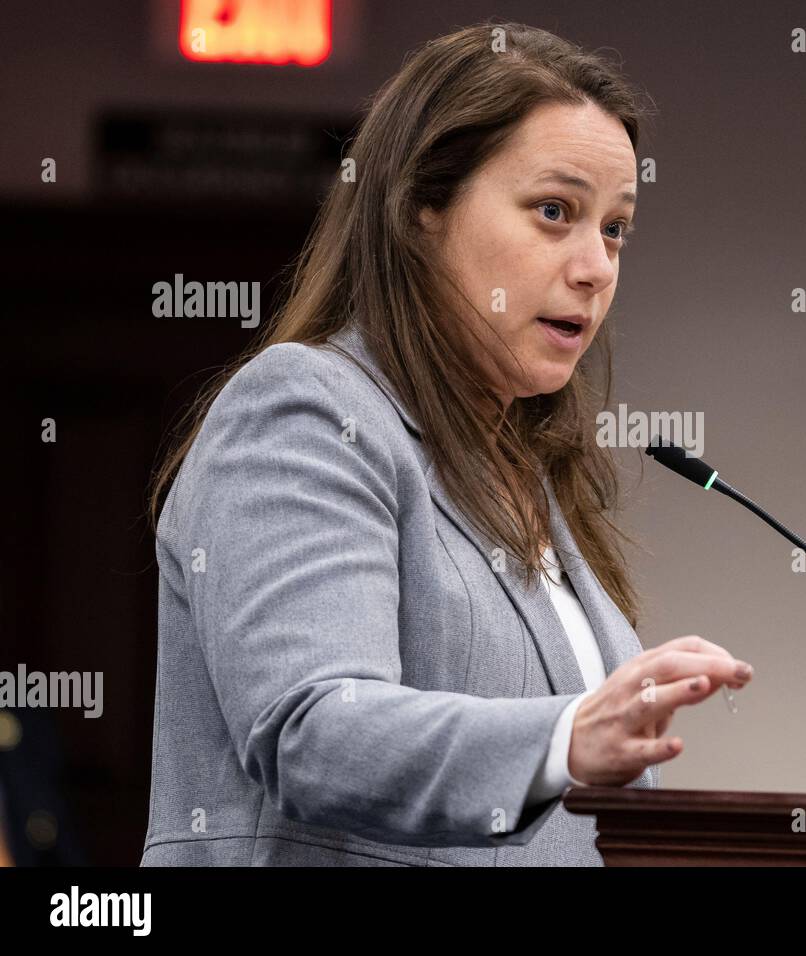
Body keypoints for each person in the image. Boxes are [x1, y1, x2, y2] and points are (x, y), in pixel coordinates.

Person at [140, 20, 752, 867]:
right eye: (554, 211)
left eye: (615, 228)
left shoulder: (525, 478)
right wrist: (569, 732)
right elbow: (311, 730)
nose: (597, 266)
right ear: (421, 209)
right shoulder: (308, 409)